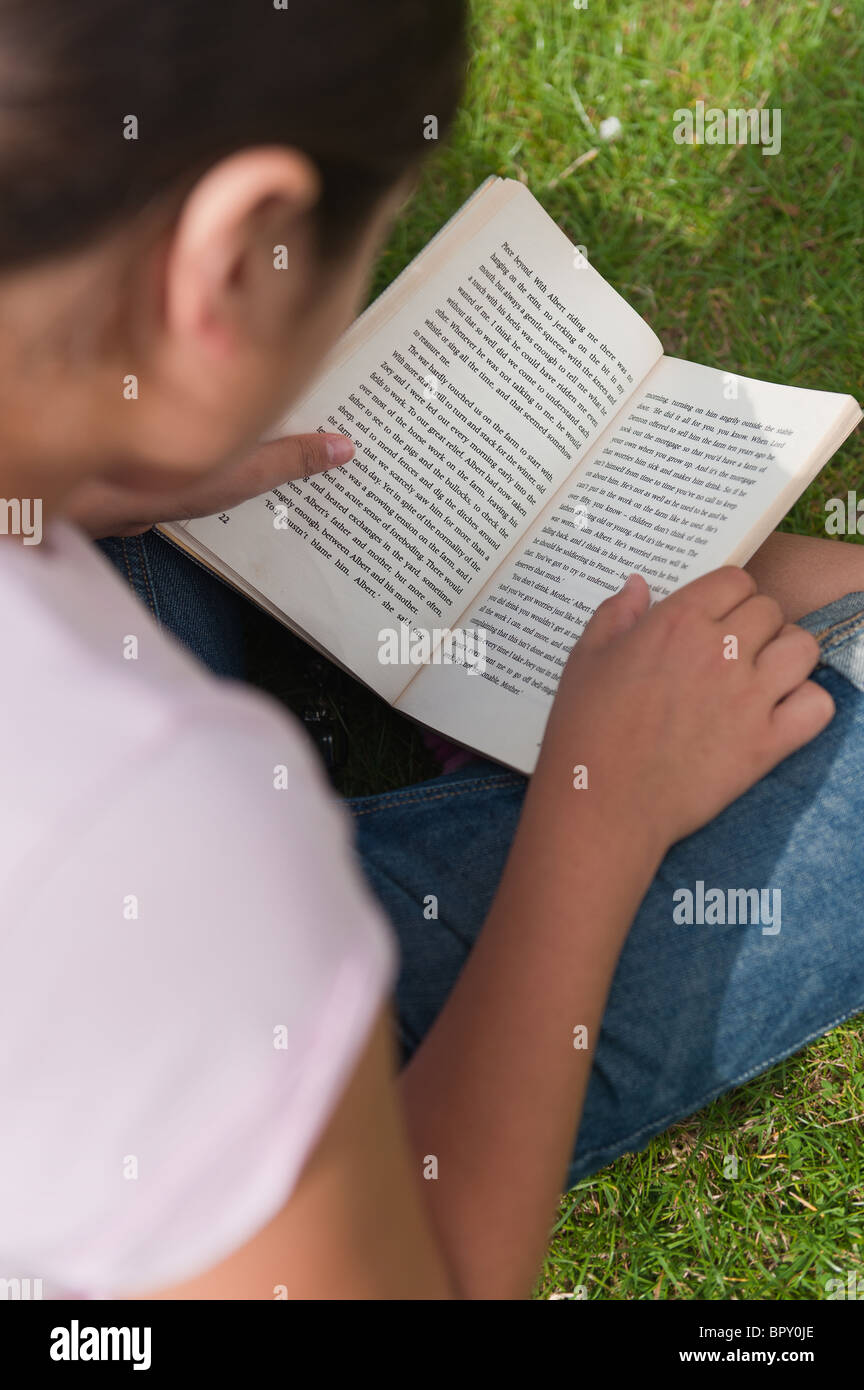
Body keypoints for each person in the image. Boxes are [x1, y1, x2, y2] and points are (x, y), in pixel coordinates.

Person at [0, 0, 862, 1301]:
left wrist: (68, 483)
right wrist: (595, 816)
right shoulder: (159, 833)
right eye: (376, 238)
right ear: (229, 255)